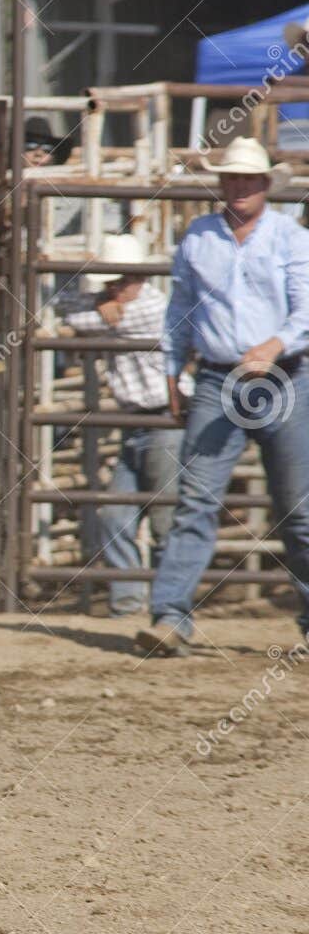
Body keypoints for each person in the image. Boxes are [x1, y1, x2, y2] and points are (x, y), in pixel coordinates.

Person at [137, 138, 309, 654]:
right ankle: (169, 615)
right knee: (196, 499)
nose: (238, 185)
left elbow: (306, 310)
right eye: (230, 177)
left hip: (285, 375)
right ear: (222, 183)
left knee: (297, 509)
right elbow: (180, 309)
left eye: (247, 178)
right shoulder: (198, 236)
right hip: (217, 378)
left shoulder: (292, 238)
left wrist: (273, 344)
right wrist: (172, 370)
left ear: (264, 185)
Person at [56, 234, 176, 617]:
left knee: (164, 519)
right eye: (111, 281)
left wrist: (99, 303)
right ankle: (129, 605)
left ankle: (168, 606)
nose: (117, 287)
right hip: (137, 420)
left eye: (122, 279)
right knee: (115, 513)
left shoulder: (152, 308)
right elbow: (68, 309)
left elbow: (78, 317)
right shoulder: (127, 303)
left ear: (139, 278)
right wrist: (102, 300)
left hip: (164, 418)